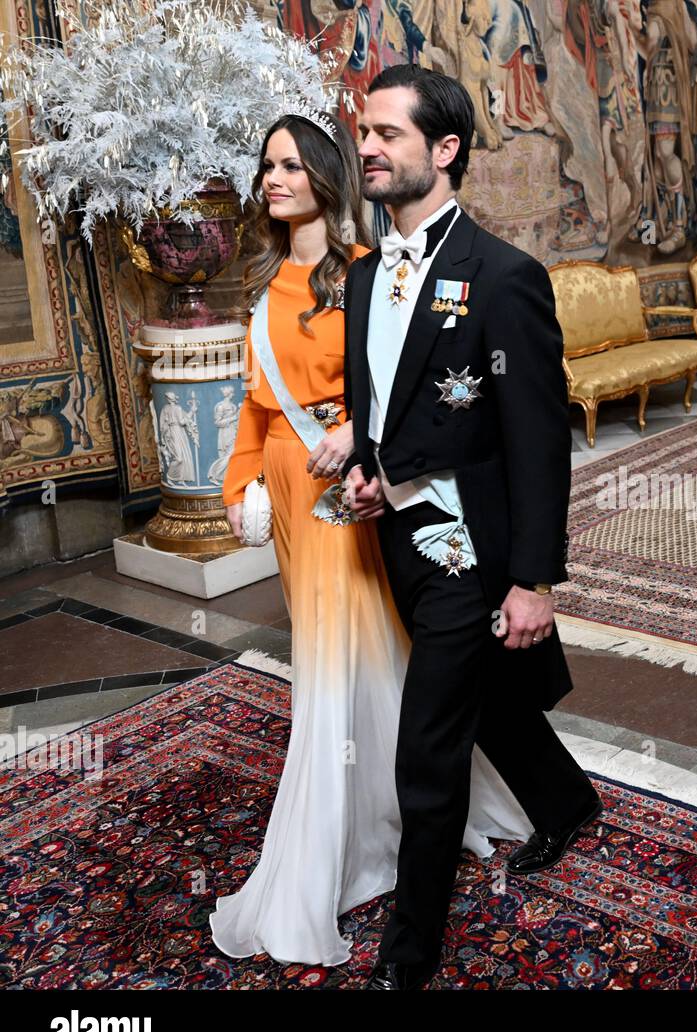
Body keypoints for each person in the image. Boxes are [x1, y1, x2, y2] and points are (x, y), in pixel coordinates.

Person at [209, 112, 531, 968]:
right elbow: (254, 399)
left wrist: (354, 435)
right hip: (283, 483)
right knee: (334, 658)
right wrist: (236, 480)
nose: (272, 180)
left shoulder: (363, 274)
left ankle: (349, 844)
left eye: (288, 165)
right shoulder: (264, 283)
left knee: (352, 657)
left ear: (322, 175)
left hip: (348, 489)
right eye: (265, 166)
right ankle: (377, 812)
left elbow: (392, 391)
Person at [341, 66, 602, 992]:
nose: (367, 147)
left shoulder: (503, 278)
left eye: (388, 134)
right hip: (400, 536)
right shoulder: (367, 275)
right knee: (490, 698)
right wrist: (373, 476)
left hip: (468, 547)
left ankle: (409, 954)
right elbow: (381, 406)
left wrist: (532, 581)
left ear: (444, 151)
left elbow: (539, 443)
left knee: (429, 745)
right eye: (364, 131)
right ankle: (568, 803)